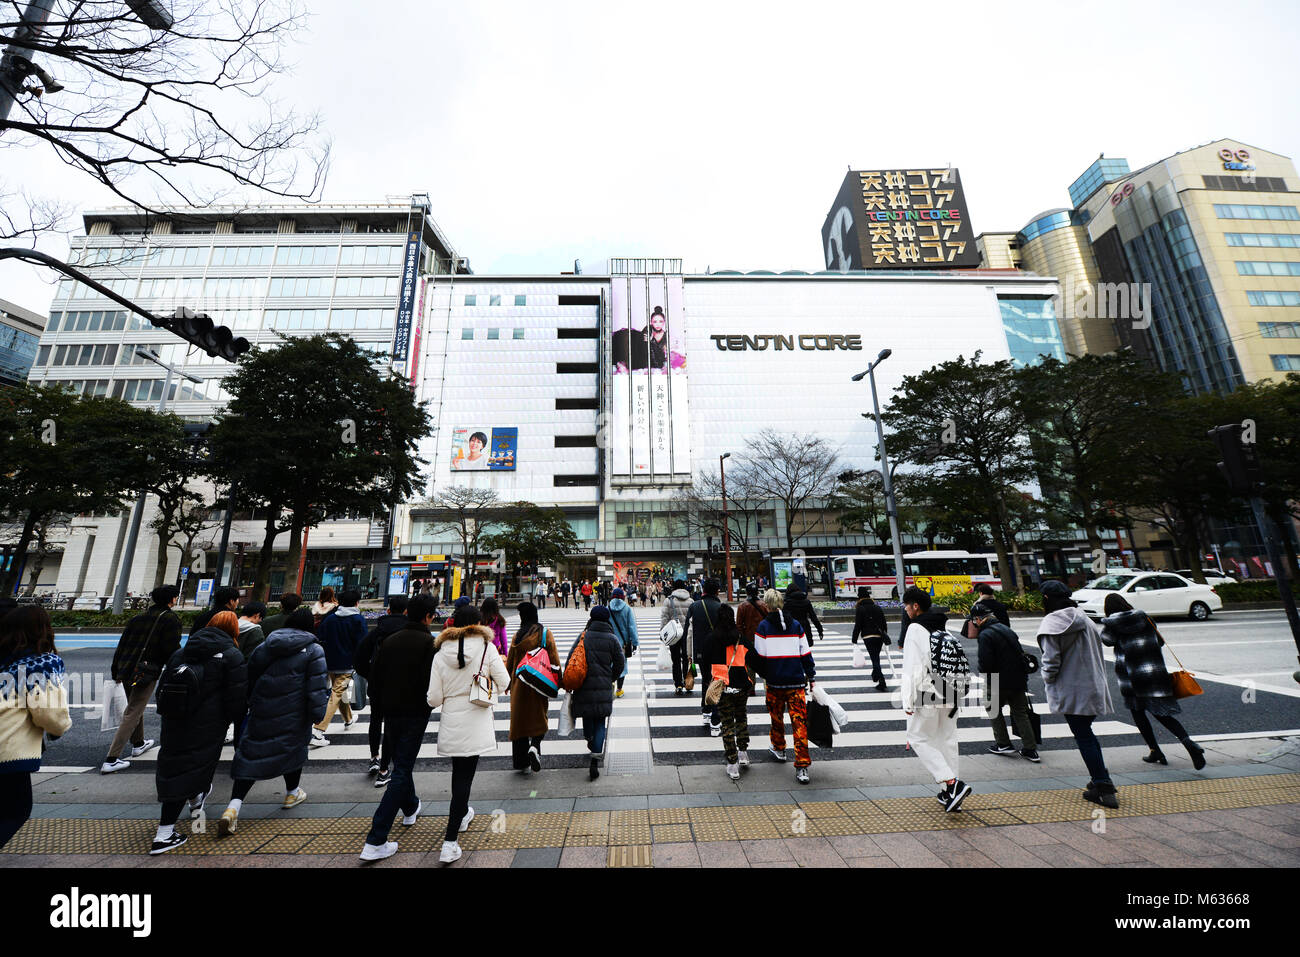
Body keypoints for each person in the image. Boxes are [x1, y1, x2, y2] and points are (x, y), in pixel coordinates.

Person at [217, 607, 328, 836]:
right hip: (294, 712)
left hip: (263, 709)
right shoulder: (313, 650)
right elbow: (316, 687)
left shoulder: (267, 644)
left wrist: (251, 701)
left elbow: (250, 674)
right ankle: (292, 792)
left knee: (252, 755)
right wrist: (318, 715)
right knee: (293, 751)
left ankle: (233, 806)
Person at [151, 611, 247, 854]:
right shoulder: (231, 655)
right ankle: (164, 834)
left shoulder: (182, 652)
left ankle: (195, 798)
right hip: (209, 723)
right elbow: (236, 698)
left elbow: (162, 689)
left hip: (175, 720)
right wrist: (236, 723)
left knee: (176, 767)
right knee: (195, 766)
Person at [426, 606, 511, 864]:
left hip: (452, 719)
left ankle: (462, 815)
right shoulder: (487, 647)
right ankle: (450, 841)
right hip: (477, 717)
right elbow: (505, 681)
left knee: (458, 775)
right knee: (465, 778)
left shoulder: (440, 653)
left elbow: (433, 699)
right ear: (477, 623)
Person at [359, 595, 439, 862]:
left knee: (401, 762)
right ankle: (376, 838)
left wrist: (380, 707)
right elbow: (435, 681)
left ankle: (411, 806)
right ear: (428, 616)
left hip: (390, 711)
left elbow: (375, 678)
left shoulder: (390, 641)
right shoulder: (430, 644)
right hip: (416, 712)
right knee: (402, 768)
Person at [1101, 594, 1206, 770]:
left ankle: (1155, 749)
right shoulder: (1144, 617)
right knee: (1162, 713)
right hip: (1153, 673)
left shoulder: (1112, 624)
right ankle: (1188, 743)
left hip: (1131, 676)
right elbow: (1159, 641)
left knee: (1138, 712)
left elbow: (1107, 641)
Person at [1037, 580, 1118, 809]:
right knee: (1087, 734)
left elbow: (1051, 661)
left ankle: (1102, 784)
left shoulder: (1053, 623)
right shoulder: (1083, 618)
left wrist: (1048, 678)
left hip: (1071, 689)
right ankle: (1100, 780)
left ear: (1046, 599)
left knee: (1083, 736)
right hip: (1093, 686)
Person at [0, 606, 71, 850]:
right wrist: (59, 728)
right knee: (15, 812)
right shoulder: (42, 662)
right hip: (7, 752)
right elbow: (50, 714)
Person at [899, 586, 970, 812]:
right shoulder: (942, 627)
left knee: (918, 737)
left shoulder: (915, 628)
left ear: (915, 606)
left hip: (928, 693)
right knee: (947, 740)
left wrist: (907, 700)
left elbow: (912, 668)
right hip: (951, 692)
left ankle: (951, 783)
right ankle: (951, 793)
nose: (905, 609)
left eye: (906, 605)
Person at [103, 584, 183, 774]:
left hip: (126, 667)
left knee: (134, 705)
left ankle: (138, 743)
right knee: (133, 711)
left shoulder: (138, 618)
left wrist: (116, 671)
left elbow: (122, 645)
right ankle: (111, 759)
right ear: (171, 599)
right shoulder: (170, 619)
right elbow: (171, 649)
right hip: (145, 671)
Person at [752, 589, 815, 783]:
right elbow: (805, 653)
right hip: (796, 682)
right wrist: (811, 676)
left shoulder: (763, 627)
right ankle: (802, 766)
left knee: (776, 717)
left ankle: (779, 748)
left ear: (767, 605)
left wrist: (766, 674)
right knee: (799, 723)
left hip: (774, 682)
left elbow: (759, 658)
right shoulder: (796, 625)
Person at [971, 602, 1039, 762]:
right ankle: (1030, 749)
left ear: (979, 619)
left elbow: (986, 662)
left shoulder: (985, 635)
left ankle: (1003, 743)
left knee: (993, 709)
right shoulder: (1007, 630)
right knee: (1021, 713)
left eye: (974, 620)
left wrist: (984, 674)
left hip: (997, 680)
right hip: (1018, 679)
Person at [354, 594, 409, 784]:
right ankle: (385, 769)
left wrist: (371, 675)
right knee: (392, 725)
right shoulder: (408, 631)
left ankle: (374, 757)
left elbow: (359, 659)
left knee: (376, 720)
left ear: (388, 610)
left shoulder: (377, 631)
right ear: (406, 611)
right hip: (400, 686)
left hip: (377, 685)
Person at [568, 605, 625, 781]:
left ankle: (590, 739)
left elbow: (572, 657)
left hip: (584, 685)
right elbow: (620, 663)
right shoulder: (612, 639)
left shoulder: (584, 636)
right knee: (600, 720)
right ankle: (595, 758)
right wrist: (611, 677)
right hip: (603, 685)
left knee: (587, 716)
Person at [505, 601, 559, 773]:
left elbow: (510, 661)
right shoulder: (544, 634)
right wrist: (561, 682)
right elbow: (554, 661)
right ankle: (534, 747)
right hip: (538, 683)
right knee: (539, 718)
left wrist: (507, 682)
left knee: (520, 721)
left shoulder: (517, 637)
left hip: (519, 683)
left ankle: (521, 761)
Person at [312, 589, 366, 748]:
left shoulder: (330, 619)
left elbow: (320, 637)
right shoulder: (357, 619)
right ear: (357, 603)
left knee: (338, 691)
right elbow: (361, 643)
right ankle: (318, 730)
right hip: (347, 664)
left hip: (329, 662)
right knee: (336, 694)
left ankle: (348, 719)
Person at [708, 603, 754, 780]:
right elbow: (754, 658)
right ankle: (743, 753)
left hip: (722, 685)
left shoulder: (712, 639)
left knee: (726, 723)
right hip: (741, 685)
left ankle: (732, 763)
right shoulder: (740, 639)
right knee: (741, 718)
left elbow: (705, 662)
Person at [683, 579, 724, 733]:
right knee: (717, 682)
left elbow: (689, 633)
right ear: (717, 591)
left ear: (703, 590)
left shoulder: (695, 606)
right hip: (718, 651)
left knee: (706, 679)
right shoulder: (721, 607)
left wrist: (688, 654)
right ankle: (715, 719)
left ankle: (706, 712)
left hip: (700, 650)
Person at [851, 587, 890, 692]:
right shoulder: (877, 607)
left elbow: (858, 625)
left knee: (874, 659)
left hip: (868, 637)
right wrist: (884, 635)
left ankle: (882, 681)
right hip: (879, 636)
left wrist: (854, 639)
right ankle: (875, 674)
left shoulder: (860, 608)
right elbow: (884, 623)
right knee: (876, 657)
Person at [661, 579, 693, 695]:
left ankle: (678, 684)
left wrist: (662, 633)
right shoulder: (691, 601)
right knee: (686, 658)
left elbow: (664, 618)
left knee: (675, 660)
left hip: (674, 634)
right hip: (687, 634)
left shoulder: (668, 601)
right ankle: (687, 680)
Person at [607, 587, 638, 697]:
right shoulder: (627, 609)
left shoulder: (608, 608)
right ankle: (619, 690)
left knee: (610, 664)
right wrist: (635, 642)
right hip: (622, 644)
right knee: (622, 665)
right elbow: (632, 627)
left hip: (609, 642)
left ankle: (610, 685)